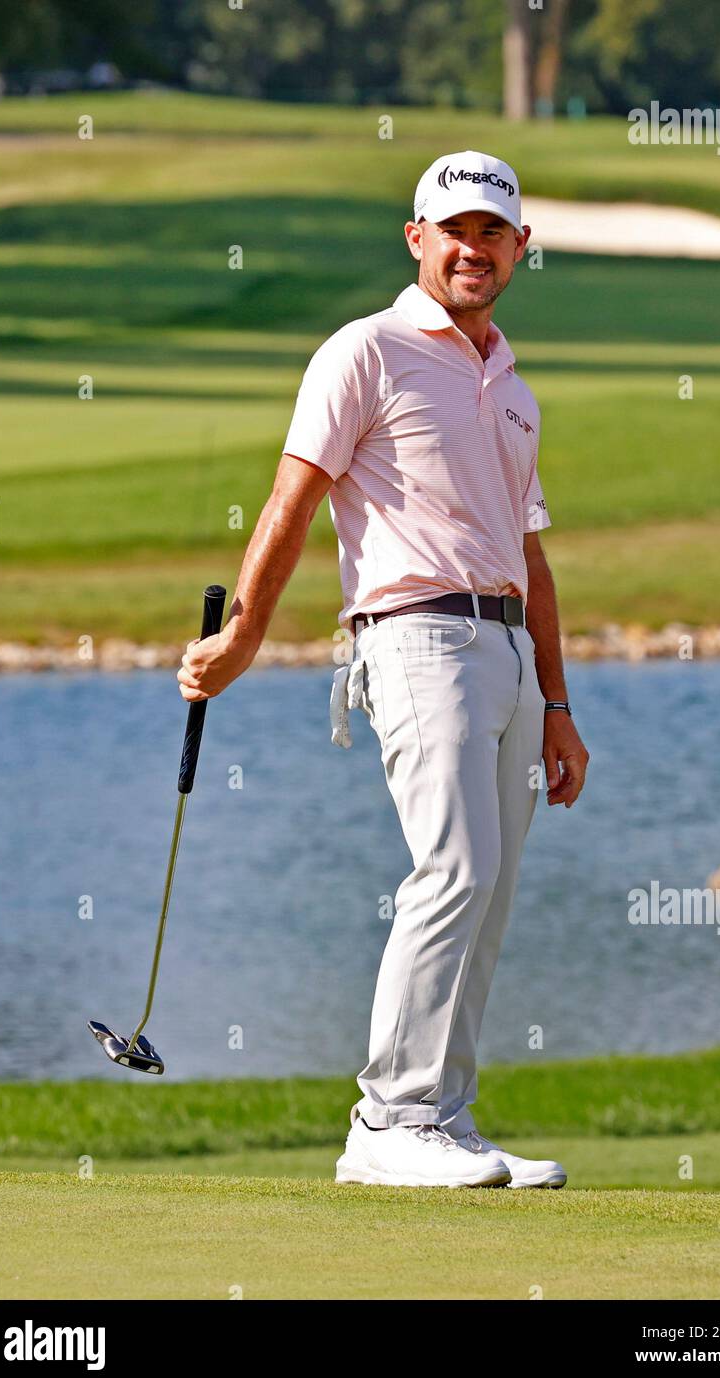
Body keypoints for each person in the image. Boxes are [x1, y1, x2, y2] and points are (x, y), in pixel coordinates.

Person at [177, 150, 590, 1189]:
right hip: (413, 636)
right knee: (450, 868)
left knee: (485, 892)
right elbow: (293, 498)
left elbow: (528, 555)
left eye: (491, 232)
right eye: (450, 230)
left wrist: (557, 701)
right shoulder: (362, 351)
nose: (470, 248)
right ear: (415, 240)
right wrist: (245, 637)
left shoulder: (513, 386)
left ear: (518, 249)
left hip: (503, 647)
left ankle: (441, 1119)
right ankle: (387, 1120)